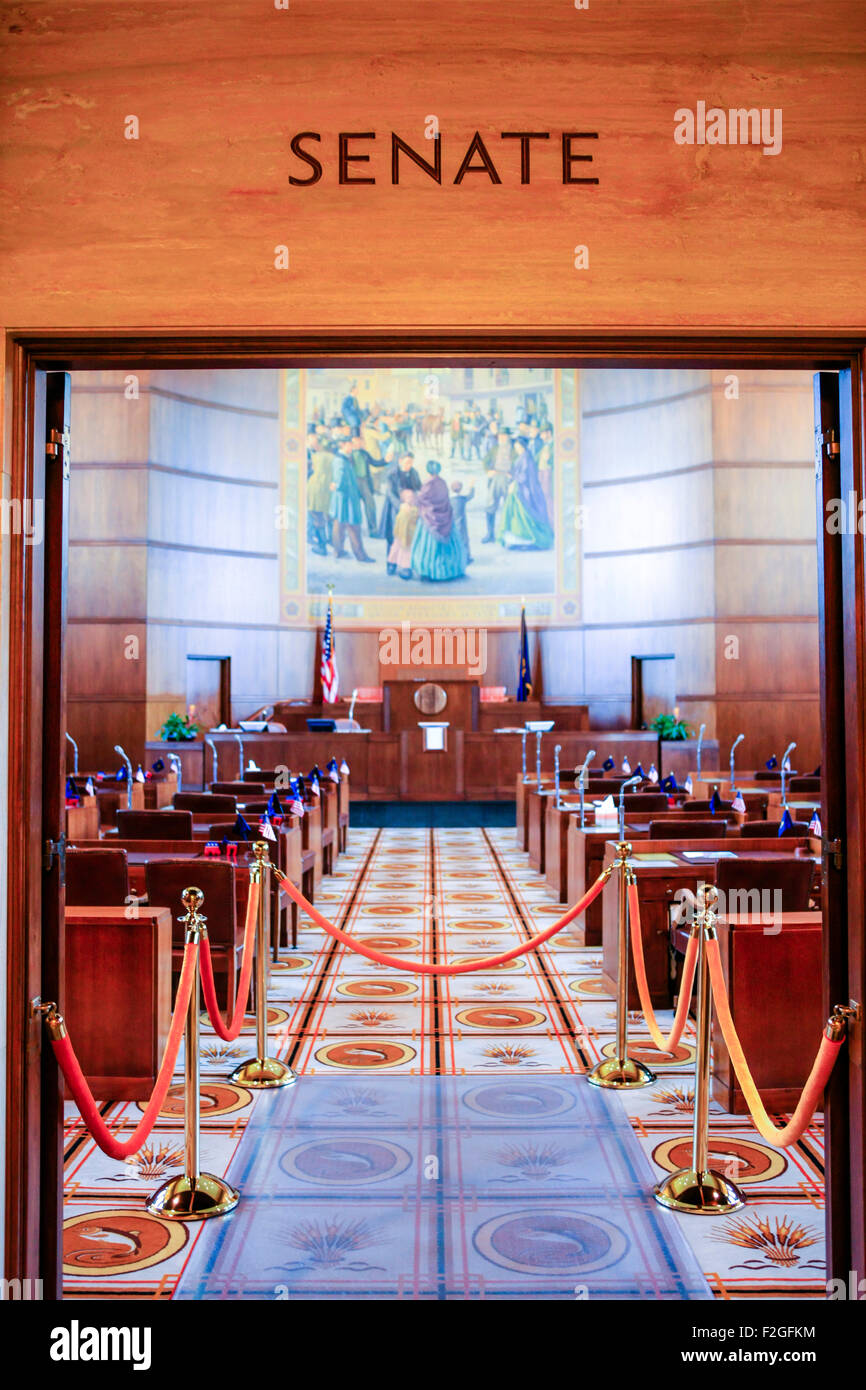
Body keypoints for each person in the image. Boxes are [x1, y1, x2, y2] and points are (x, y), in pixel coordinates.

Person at [410, 460, 467, 581]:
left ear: (428, 470)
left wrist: (416, 499)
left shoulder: (427, 484)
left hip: (429, 518)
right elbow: (445, 499)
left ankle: (429, 572)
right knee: (449, 547)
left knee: (428, 547)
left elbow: (422, 499)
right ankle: (450, 571)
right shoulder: (443, 483)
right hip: (445, 518)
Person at [497, 432, 554, 550]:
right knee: (514, 516)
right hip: (519, 488)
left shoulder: (526, 458)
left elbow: (524, 477)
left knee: (523, 516)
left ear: (522, 446)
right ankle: (517, 540)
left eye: (518, 446)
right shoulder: (523, 456)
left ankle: (528, 541)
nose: (516, 448)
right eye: (516, 446)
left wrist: (513, 477)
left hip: (524, 491)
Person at [329, 443, 375, 562]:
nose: (352, 447)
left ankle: (338, 551)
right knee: (353, 526)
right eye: (350, 445)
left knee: (339, 524)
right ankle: (360, 555)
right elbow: (339, 480)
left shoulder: (343, 458)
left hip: (343, 498)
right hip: (347, 498)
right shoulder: (340, 460)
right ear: (342, 445)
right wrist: (337, 486)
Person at [377, 452, 422, 547]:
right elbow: (390, 493)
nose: (409, 465)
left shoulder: (414, 473)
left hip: (410, 508)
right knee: (394, 535)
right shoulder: (392, 474)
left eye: (411, 463)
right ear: (400, 461)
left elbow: (419, 487)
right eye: (407, 462)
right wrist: (400, 505)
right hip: (395, 507)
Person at [483, 426, 513, 543]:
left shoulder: (514, 449)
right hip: (495, 478)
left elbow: (519, 464)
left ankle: (508, 534)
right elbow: (486, 460)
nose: (502, 438)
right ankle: (490, 534)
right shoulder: (494, 448)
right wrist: (488, 470)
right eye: (500, 436)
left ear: (508, 437)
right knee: (490, 506)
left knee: (508, 506)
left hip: (507, 480)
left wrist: (513, 475)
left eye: (504, 435)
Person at [307, 436, 334, 556]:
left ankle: (322, 547)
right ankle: (332, 542)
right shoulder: (333, 458)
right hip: (327, 491)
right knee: (329, 517)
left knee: (317, 518)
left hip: (316, 489)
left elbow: (314, 471)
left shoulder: (317, 457)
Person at [387, 488, 419, 579]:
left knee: (406, 552)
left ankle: (405, 568)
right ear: (404, 499)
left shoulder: (415, 508)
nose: (411, 499)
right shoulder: (404, 509)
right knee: (397, 549)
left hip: (410, 534)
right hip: (402, 534)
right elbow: (400, 523)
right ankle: (392, 564)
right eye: (408, 497)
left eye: (412, 497)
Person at [450, 479, 475, 564]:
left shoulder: (449, 500)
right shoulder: (462, 499)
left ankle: (455, 557)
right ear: (461, 489)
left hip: (452, 524)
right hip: (462, 523)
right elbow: (471, 495)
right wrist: (472, 485)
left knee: (454, 541)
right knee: (464, 540)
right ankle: (466, 557)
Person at [537, 424, 554, 513]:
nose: (541, 436)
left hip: (548, 474)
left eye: (542, 434)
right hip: (541, 474)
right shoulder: (544, 446)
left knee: (548, 497)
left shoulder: (554, 445)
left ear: (549, 433)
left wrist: (549, 459)